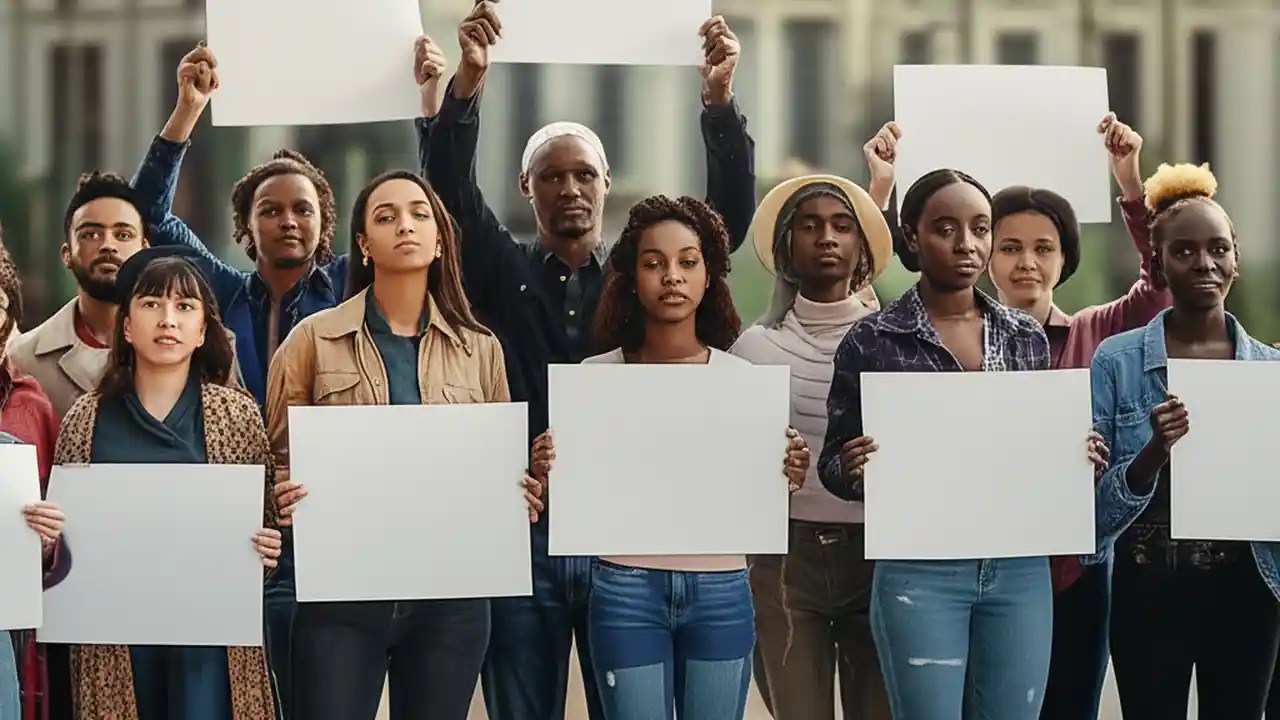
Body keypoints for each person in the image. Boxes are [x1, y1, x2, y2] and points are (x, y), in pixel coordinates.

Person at [417, 3, 756, 717]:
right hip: (526, 533)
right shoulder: (498, 273)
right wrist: (469, 85)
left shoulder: (641, 285)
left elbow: (720, 219)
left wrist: (719, 106)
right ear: (525, 188)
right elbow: (448, 190)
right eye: (551, 176)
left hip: (623, 539)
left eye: (583, 176)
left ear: (607, 184)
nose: (568, 188)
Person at [128, 38, 448, 714]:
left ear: (329, 224)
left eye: (302, 207)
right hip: (234, 521)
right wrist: (187, 111)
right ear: (246, 226)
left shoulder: (347, 291)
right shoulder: (217, 292)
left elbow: (428, 211)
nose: (288, 219)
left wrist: (429, 108)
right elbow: (149, 217)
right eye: (270, 209)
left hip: (333, 525)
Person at [816, 169, 1109, 718]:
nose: (967, 244)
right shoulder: (872, 338)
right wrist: (853, 467)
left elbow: (1035, 449)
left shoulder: (1023, 336)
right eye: (946, 228)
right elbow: (832, 463)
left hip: (1019, 570)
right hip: (920, 570)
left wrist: (1077, 459)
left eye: (980, 228)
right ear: (911, 236)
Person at [265, 170, 542, 720]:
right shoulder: (311, 340)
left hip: (452, 597)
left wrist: (522, 492)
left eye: (419, 213)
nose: (405, 226)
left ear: (441, 238)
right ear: (364, 246)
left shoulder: (481, 349)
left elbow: (499, 468)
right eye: (385, 217)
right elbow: (275, 457)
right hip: (341, 591)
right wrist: (280, 496)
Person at [529, 195, 807, 719]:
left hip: (722, 589)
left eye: (687, 262)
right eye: (654, 263)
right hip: (624, 588)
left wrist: (786, 470)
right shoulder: (594, 379)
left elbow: (763, 486)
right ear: (632, 278)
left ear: (708, 277)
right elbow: (570, 488)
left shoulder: (742, 383)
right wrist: (549, 465)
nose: (672, 276)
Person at [51, 246, 282, 719]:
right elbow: (63, 553)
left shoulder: (237, 416)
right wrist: (45, 537)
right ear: (128, 326)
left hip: (209, 641)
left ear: (203, 331)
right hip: (115, 641)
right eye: (152, 304)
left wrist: (268, 548)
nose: (167, 320)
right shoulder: (85, 420)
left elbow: (266, 534)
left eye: (184, 307)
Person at [1089, 163, 1280, 718]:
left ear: (1236, 259)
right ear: (1157, 263)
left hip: (1248, 586)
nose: (1205, 263)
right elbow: (1091, 519)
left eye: (1218, 248)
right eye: (1185, 251)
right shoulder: (1117, 361)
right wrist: (1151, 454)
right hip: (1149, 584)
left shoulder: (1270, 372)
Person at [729, 174, 892, 720]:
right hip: (783, 565)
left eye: (842, 227)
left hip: (879, 557)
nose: (827, 237)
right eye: (810, 226)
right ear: (785, 250)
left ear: (860, 249)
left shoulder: (896, 346)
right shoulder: (753, 349)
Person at [8, 170, 153, 720]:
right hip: (67, 591)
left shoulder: (197, 351)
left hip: (167, 571)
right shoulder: (24, 360)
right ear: (67, 253)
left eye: (122, 232)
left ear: (144, 246)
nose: (108, 244)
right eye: (92, 233)